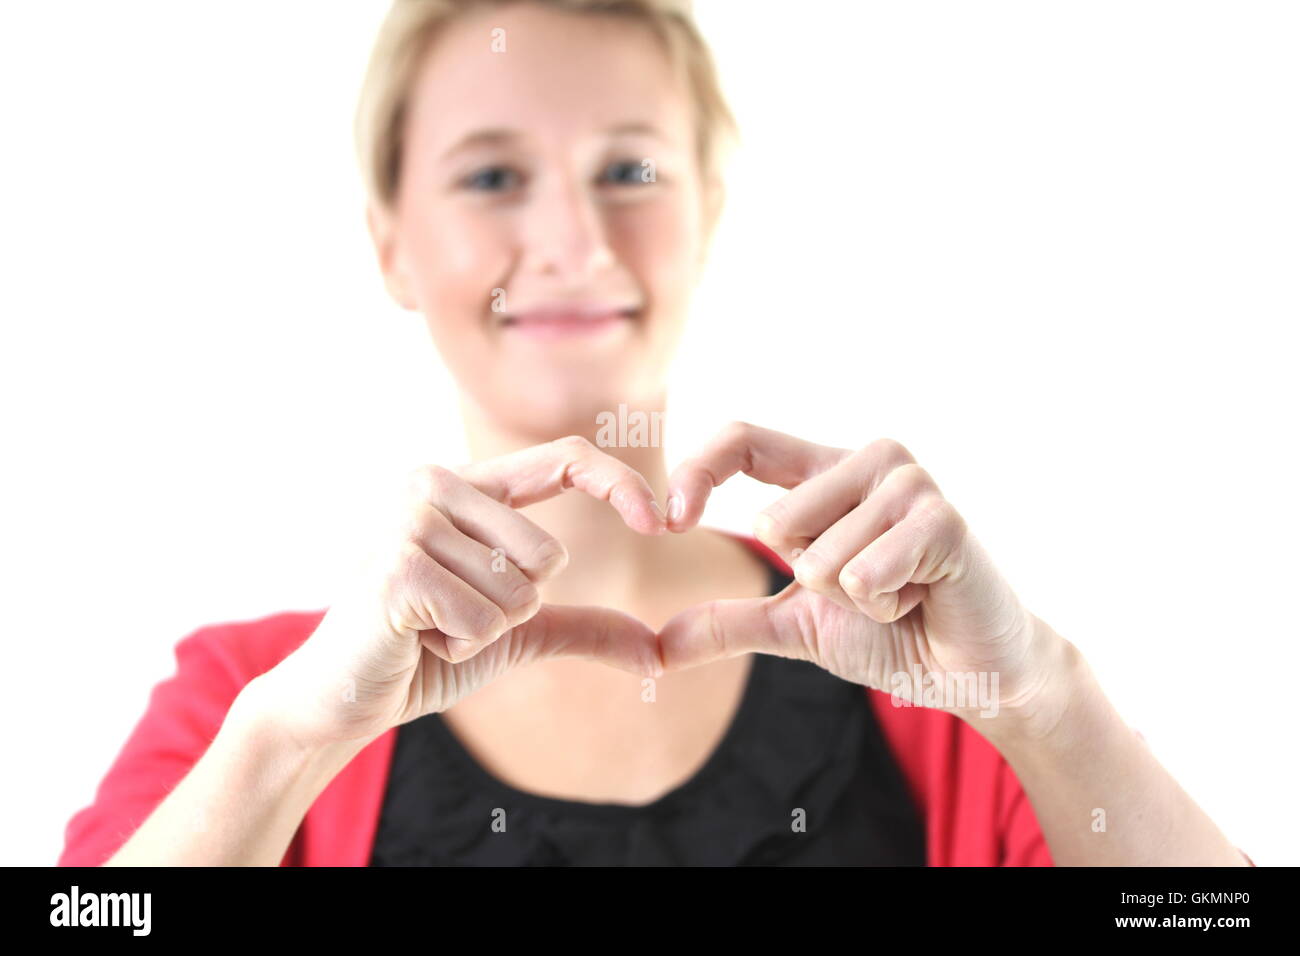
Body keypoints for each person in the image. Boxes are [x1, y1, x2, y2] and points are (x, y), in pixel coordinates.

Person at [59, 0, 1251, 866]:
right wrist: (279, 745)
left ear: (705, 216)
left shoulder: (927, 680)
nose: (575, 239)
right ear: (390, 244)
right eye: (489, 178)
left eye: (628, 166)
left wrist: (1041, 695)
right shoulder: (246, 695)